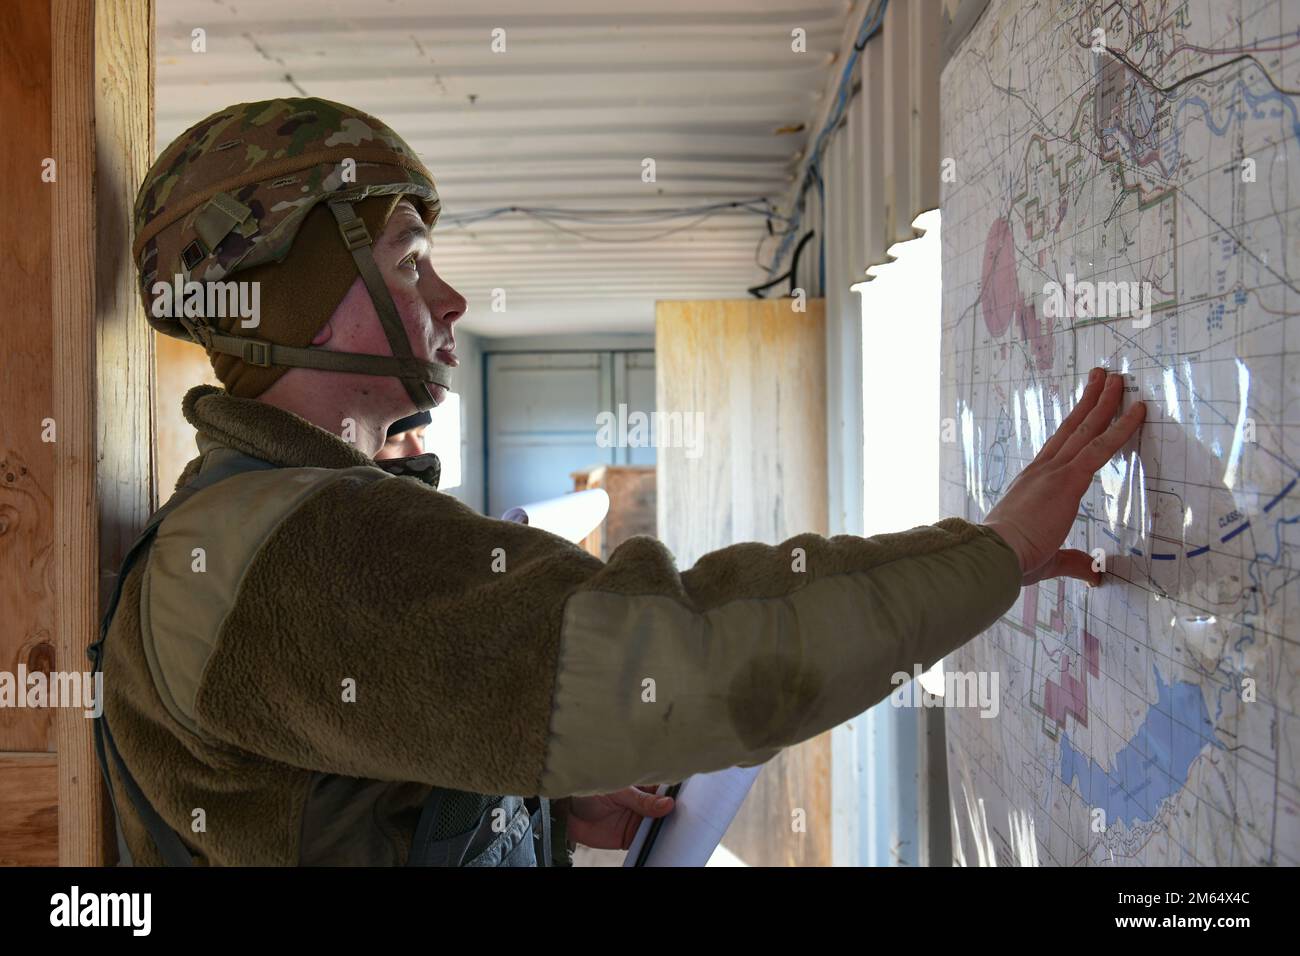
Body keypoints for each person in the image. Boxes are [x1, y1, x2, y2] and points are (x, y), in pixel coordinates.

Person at [94, 97, 1146, 867]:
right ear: (293, 298)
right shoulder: (299, 546)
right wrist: (990, 552)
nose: (451, 300)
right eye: (411, 263)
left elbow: (339, 800)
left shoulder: (259, 523)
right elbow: (689, 648)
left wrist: (534, 809)